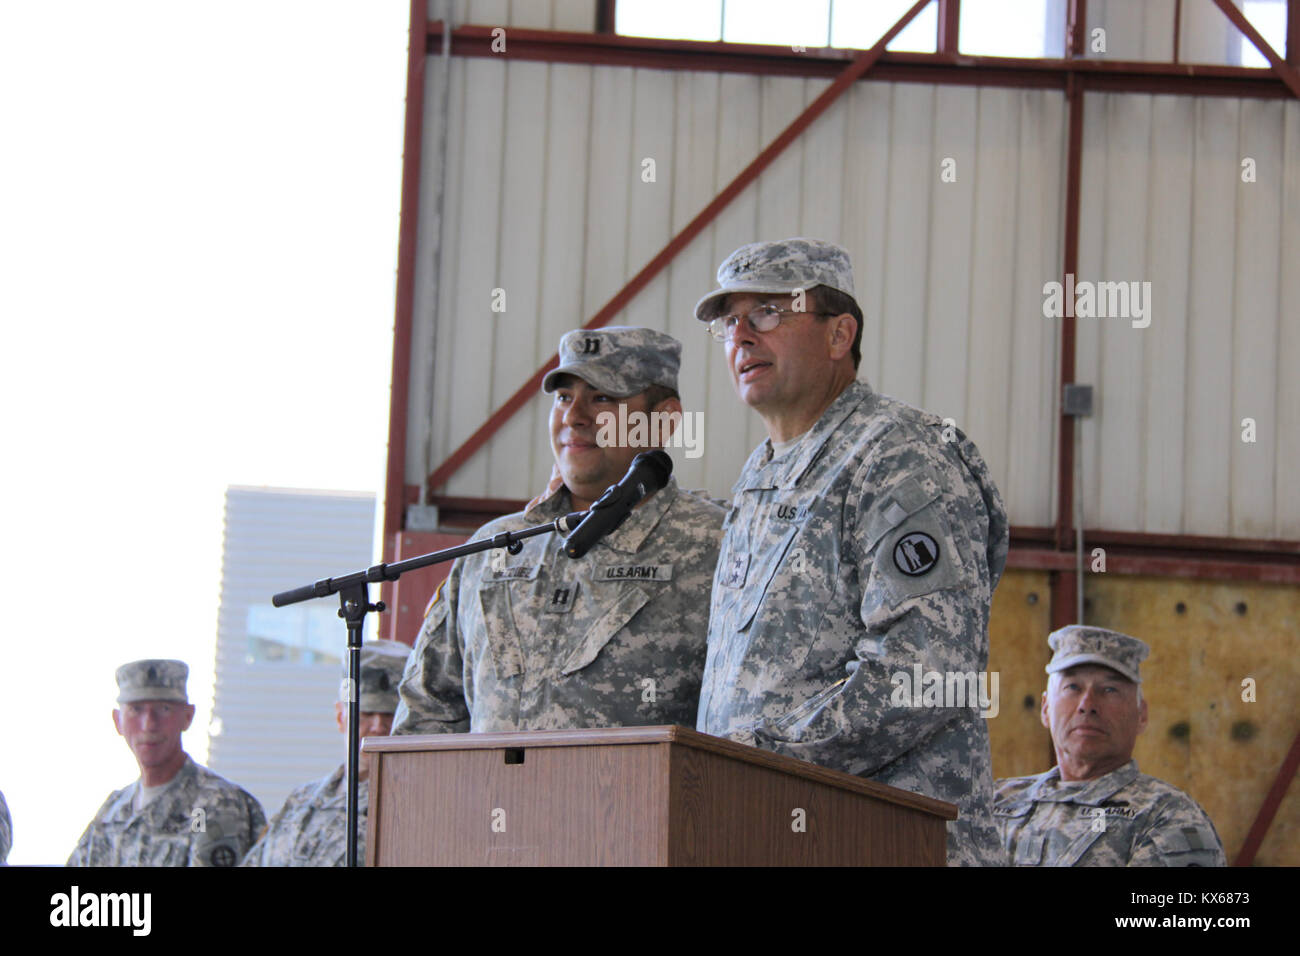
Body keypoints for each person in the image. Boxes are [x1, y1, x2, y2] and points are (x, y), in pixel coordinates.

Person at [693, 238, 1008, 866]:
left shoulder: (899, 454)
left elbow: (925, 675)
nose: (742, 338)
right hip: (766, 833)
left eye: (768, 314)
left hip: (883, 839)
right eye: (731, 322)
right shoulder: (758, 477)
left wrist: (753, 762)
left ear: (840, 335)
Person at [393, 326, 725, 734]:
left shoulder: (716, 545)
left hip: (632, 798)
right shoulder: (494, 548)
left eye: (602, 397)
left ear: (662, 421)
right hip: (486, 798)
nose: (573, 416)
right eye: (564, 398)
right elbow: (427, 713)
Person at [995, 625, 1225, 866]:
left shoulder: (1167, 815)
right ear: (1045, 708)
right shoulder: (998, 801)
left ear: (1141, 715)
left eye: (1110, 690)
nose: (1087, 704)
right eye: (1072, 687)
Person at [68, 659, 266, 866]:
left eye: (164, 709)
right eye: (136, 710)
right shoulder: (113, 813)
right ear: (118, 721)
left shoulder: (211, 806)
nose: (149, 725)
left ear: (188, 717)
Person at [242, 639, 411, 866]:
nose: (378, 727)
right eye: (366, 713)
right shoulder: (300, 802)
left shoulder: (413, 807)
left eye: (390, 716)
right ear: (341, 716)